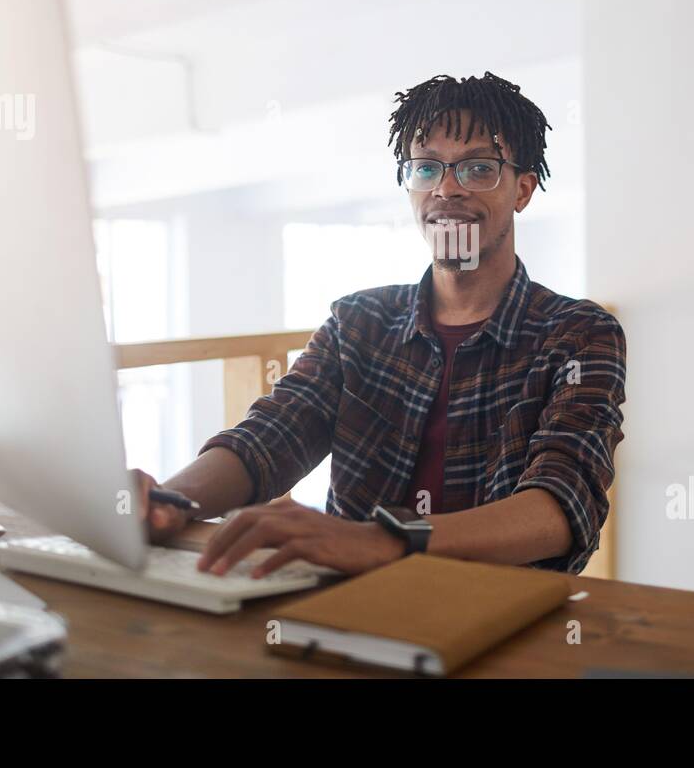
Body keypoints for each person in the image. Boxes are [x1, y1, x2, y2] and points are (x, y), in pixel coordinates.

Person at [133, 72, 626, 577]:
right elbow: (271, 437)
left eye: (479, 168)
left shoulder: (578, 334)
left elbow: (560, 506)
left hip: (501, 613)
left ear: (522, 190)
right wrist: (170, 501)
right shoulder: (358, 323)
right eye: (427, 168)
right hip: (349, 606)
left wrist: (383, 541)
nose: (447, 189)